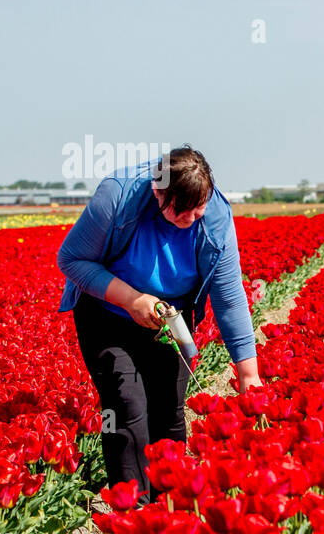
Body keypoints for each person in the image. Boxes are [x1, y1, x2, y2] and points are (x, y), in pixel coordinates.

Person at [56, 145, 261, 499]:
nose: (191, 220)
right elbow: (72, 259)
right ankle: (133, 512)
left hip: (172, 318)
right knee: (126, 405)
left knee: (169, 409)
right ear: (158, 192)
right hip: (108, 312)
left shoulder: (214, 218)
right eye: (180, 212)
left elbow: (228, 295)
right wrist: (133, 300)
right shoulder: (117, 197)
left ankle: (171, 505)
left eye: (197, 210)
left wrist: (248, 373)